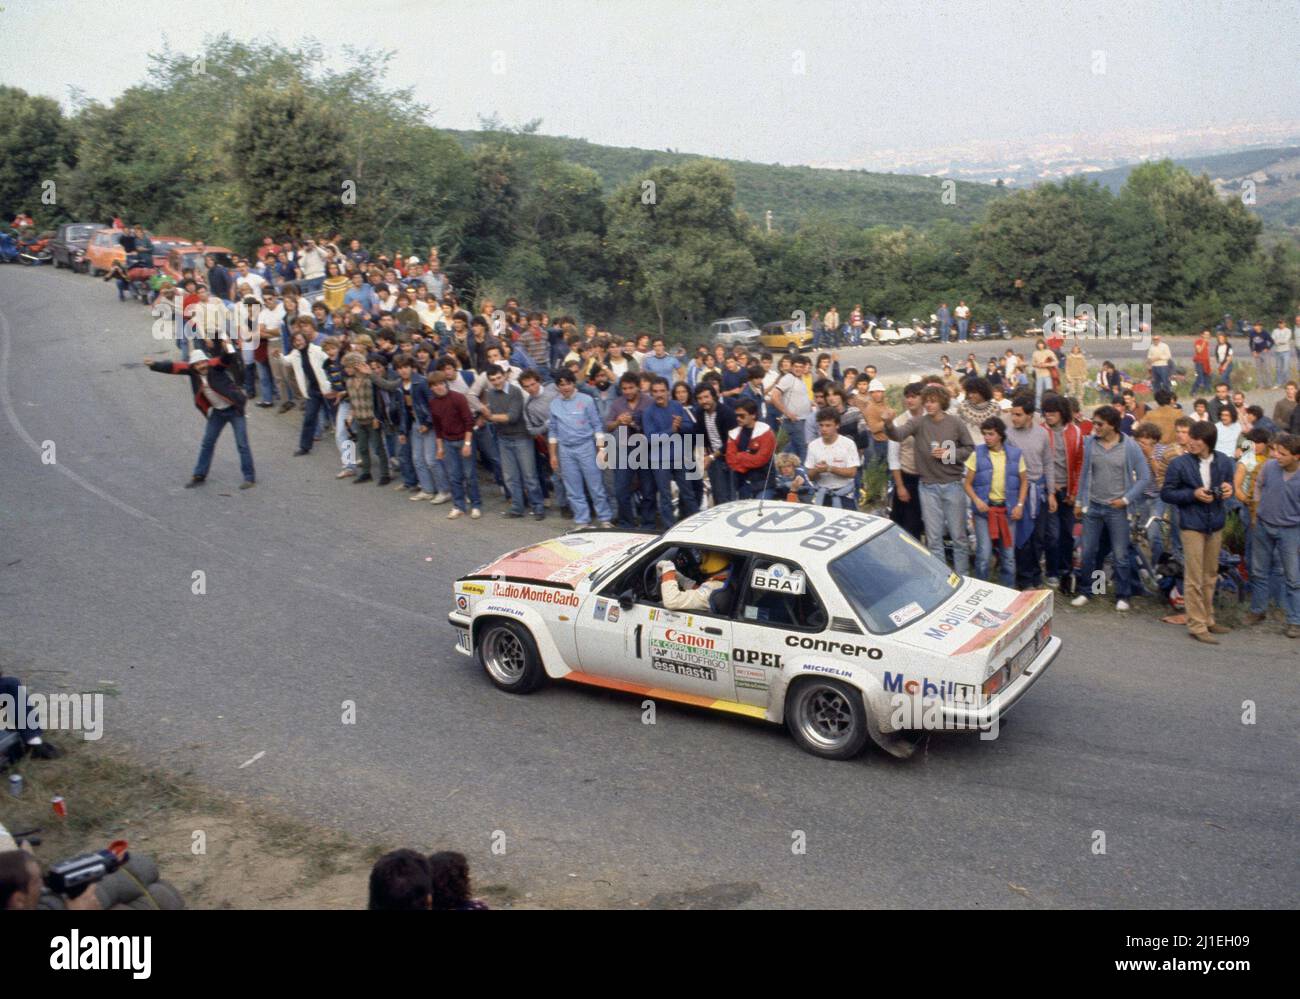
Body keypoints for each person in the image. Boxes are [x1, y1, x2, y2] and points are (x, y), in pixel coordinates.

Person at [882, 385, 975, 573]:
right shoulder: (918, 422)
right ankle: (942, 576)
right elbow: (897, 435)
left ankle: (964, 575)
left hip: (953, 484)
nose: (929, 405)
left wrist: (949, 454)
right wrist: (888, 424)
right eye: (926, 402)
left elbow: (969, 448)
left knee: (958, 536)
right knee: (933, 538)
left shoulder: (955, 423)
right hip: (927, 487)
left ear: (942, 402)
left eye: (933, 401)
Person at [1160, 422, 1236, 643]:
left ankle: (1208, 618)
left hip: (1215, 522)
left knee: (1210, 574)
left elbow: (1228, 484)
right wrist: (1193, 494)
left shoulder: (1222, 460)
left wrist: (1227, 489)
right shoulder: (1180, 464)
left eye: (1196, 439)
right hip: (1192, 523)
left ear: (1208, 442)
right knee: (1194, 576)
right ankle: (1196, 624)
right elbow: (1167, 493)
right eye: (1190, 437)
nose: (1191, 442)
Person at [143, 345, 255, 489]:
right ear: (193, 366)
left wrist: (226, 349)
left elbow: (224, 359)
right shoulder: (192, 372)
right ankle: (199, 474)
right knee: (207, 443)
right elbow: (173, 367)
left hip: (235, 410)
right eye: (198, 364)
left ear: (206, 361)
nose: (201, 366)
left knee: (242, 444)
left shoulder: (215, 367)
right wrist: (154, 365)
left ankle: (249, 477)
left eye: (203, 362)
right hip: (217, 413)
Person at [1243, 433, 1300, 638]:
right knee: (1258, 571)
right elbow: (1258, 486)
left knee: (1292, 577)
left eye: (1283, 454)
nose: (1277, 456)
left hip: (1291, 530)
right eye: (1276, 451)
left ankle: (1295, 620)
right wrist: (1255, 512)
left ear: (1296, 456)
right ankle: (1258, 610)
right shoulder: (1269, 467)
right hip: (1264, 525)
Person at [964, 416, 1028, 586]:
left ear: (1000, 435)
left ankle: (1008, 591)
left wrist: (1020, 505)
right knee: (983, 555)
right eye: (984, 434)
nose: (987, 437)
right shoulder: (976, 454)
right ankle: (980, 588)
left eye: (990, 434)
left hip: (1007, 511)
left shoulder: (1015, 454)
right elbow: (967, 484)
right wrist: (977, 500)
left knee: (1008, 556)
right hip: (984, 512)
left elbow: (1024, 481)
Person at [548, 370, 614, 528]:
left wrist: (601, 449)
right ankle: (582, 520)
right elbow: (553, 431)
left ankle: (605, 518)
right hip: (565, 450)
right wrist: (553, 455)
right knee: (573, 487)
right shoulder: (554, 404)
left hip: (586, 447)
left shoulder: (586, 400)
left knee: (595, 485)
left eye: (568, 383)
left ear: (573, 383)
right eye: (561, 385)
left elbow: (597, 425)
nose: (565, 387)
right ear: (557, 387)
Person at [1005, 394, 1053, 588]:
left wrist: (1050, 493)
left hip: (1039, 490)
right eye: (1012, 414)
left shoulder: (1042, 434)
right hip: (1018, 490)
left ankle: (1035, 574)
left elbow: (1048, 462)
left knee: (1038, 536)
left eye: (1018, 415)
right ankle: (1024, 579)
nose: (1014, 419)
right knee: (1022, 537)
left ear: (1030, 415)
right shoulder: (1008, 435)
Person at [486, 364, 545, 520]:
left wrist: (490, 417)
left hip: (521, 438)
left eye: (499, 378)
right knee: (510, 477)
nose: (497, 382)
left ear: (505, 376)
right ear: (489, 381)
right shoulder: (490, 394)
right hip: (503, 438)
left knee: (529, 476)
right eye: (493, 380)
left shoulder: (515, 391)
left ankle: (538, 507)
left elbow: (512, 417)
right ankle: (517, 508)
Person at [643, 376, 698, 525]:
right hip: (660, 459)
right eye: (655, 391)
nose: (659, 394)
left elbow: (689, 427)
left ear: (668, 391)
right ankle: (670, 528)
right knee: (665, 497)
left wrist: (680, 425)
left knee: (688, 494)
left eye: (662, 391)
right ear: (651, 393)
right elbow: (650, 438)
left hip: (679, 456)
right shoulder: (648, 412)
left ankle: (696, 524)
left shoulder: (677, 406)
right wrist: (671, 430)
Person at [1041, 395, 1083, 588]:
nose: (1048, 416)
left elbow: (1079, 464)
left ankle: (1066, 570)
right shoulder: (1041, 431)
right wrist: (1050, 486)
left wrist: (1074, 491)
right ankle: (1052, 571)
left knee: (1067, 533)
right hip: (1049, 489)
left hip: (1068, 490)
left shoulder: (1075, 432)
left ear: (1062, 413)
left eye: (1053, 413)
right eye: (1046, 412)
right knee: (1052, 534)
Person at [428, 371, 479, 519]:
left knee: (470, 475)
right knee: (454, 476)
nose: (439, 387)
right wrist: (439, 447)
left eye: (441, 384)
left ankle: (475, 505)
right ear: (431, 388)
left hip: (464, 439)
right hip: (448, 442)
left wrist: (468, 444)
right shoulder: (433, 403)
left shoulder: (458, 398)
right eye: (435, 385)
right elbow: (437, 427)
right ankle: (459, 506)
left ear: (446, 384)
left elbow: (469, 422)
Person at [804, 407, 860, 508]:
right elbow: (810, 476)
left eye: (828, 425)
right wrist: (817, 470)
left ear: (837, 425)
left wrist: (830, 469)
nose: (824, 429)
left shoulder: (848, 444)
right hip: (822, 495)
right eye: (821, 425)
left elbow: (852, 473)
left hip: (844, 495)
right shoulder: (813, 445)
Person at [694, 383, 737, 506]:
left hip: (730, 457)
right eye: (700, 398)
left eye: (706, 397)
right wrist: (703, 456)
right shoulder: (700, 413)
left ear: (713, 396)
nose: (704, 401)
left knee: (732, 496)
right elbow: (699, 435)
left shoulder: (726, 413)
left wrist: (711, 457)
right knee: (719, 496)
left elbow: (731, 440)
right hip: (714, 458)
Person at [726, 398, 777, 499]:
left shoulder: (766, 433)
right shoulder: (734, 433)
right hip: (742, 485)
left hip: (764, 485)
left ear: (753, 415)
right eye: (736, 416)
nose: (738, 419)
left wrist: (740, 456)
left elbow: (760, 460)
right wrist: (748, 458)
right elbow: (730, 460)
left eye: (742, 415)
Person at [766, 354, 813, 458]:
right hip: (795, 421)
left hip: (804, 420)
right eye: (796, 366)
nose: (798, 369)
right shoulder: (788, 378)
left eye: (801, 367)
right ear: (791, 367)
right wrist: (787, 413)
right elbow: (775, 396)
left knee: (793, 450)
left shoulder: (801, 379)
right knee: (802, 450)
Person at [657, 550, 732, 611]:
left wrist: (668, 568)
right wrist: (681, 579)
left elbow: (671, 601)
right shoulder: (727, 579)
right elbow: (701, 592)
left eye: (702, 557)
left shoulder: (713, 587)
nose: (700, 559)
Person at [1191, 329, 1213, 395]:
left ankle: (1207, 391)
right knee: (1200, 377)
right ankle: (1193, 391)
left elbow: (1206, 353)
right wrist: (1204, 342)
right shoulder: (1198, 341)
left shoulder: (1207, 343)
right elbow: (1199, 351)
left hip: (1206, 362)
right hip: (1199, 362)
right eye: (1205, 334)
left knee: (1208, 376)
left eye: (1208, 335)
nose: (1207, 336)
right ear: (1202, 335)